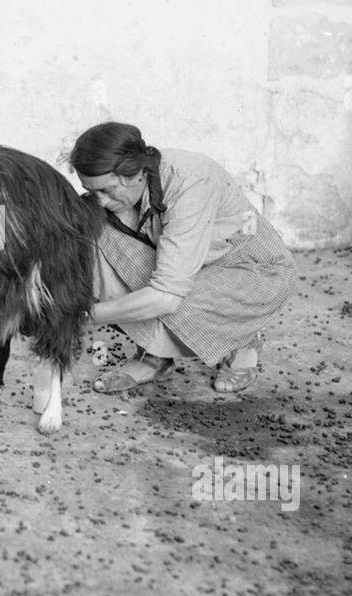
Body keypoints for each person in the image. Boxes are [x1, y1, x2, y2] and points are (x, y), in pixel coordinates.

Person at [70, 121, 296, 393]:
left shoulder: (190, 182)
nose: (101, 200)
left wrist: (84, 315)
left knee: (174, 299)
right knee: (94, 232)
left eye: (107, 190)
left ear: (136, 174)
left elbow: (166, 295)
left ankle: (243, 341)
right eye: (91, 190)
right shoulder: (125, 191)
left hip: (251, 273)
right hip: (189, 265)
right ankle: (155, 355)